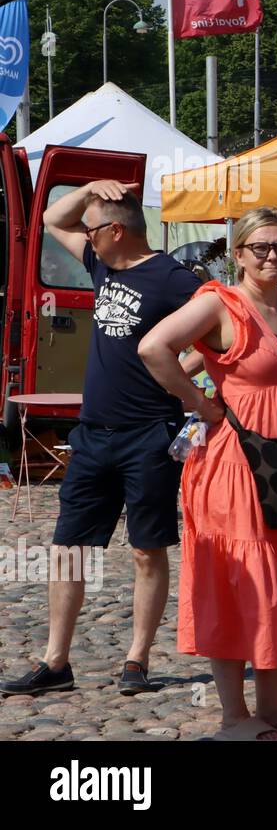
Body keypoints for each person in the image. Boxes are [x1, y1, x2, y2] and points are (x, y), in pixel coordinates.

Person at [138, 206, 277, 741]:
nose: (273, 255)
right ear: (239, 254)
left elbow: (251, 363)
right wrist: (202, 406)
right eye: (261, 247)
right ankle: (234, 716)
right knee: (241, 581)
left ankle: (272, 708)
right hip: (235, 466)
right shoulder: (219, 301)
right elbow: (153, 347)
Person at [1, 181, 200, 698]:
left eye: (94, 230)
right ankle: (55, 661)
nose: (84, 238)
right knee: (68, 548)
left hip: (149, 435)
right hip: (93, 433)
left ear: (116, 230)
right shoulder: (102, 264)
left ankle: (137, 658)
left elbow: (216, 339)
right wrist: (88, 188)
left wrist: (180, 380)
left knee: (146, 549)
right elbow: (51, 220)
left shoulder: (176, 281)